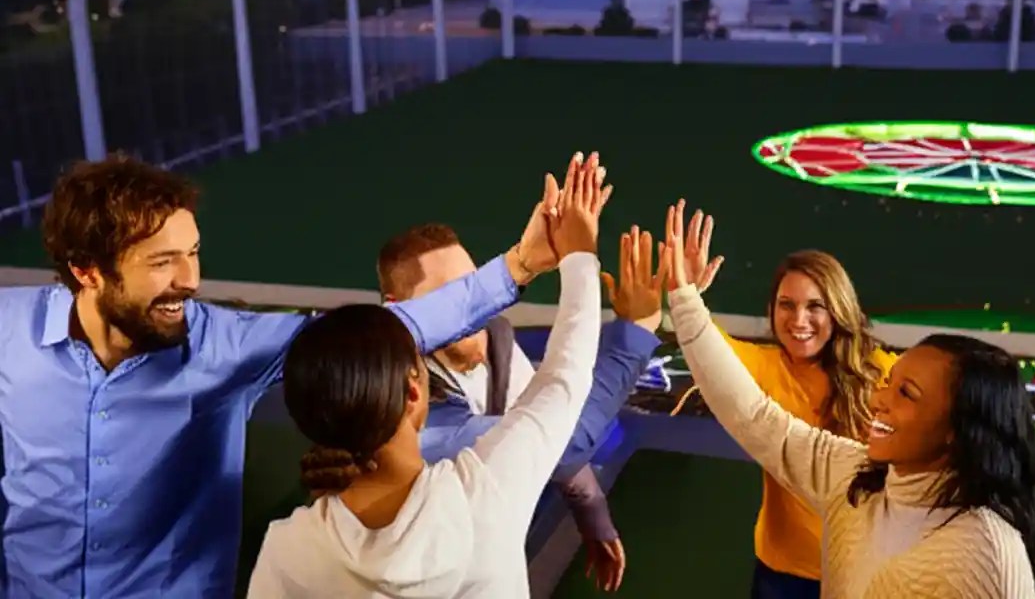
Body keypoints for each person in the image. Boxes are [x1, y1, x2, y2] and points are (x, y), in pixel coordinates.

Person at [0, 150, 599, 598]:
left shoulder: (226, 346)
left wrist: (522, 264)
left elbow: (380, 333)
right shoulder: (8, 332)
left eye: (194, 252)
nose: (190, 279)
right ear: (86, 271)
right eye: (163, 262)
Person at [246, 152, 630, 598]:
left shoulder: (287, 549)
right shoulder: (488, 492)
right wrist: (581, 258)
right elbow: (565, 379)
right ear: (414, 392)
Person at [661, 206, 1035, 598]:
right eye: (786, 304)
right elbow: (755, 417)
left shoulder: (988, 556)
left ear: (958, 429)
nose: (879, 397)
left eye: (905, 393)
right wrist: (684, 297)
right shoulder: (853, 475)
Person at [377, 224, 667, 592]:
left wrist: (592, 515)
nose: (470, 311)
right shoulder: (401, 410)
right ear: (398, 311)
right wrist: (634, 335)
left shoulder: (496, 341)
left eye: (472, 288)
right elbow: (559, 444)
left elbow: (545, 419)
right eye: (447, 299)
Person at [668, 200, 898, 598]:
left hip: (864, 574)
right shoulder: (764, 366)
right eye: (786, 305)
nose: (798, 321)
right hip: (783, 573)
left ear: (839, 310)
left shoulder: (881, 371)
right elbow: (706, 346)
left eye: (815, 307)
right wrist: (684, 291)